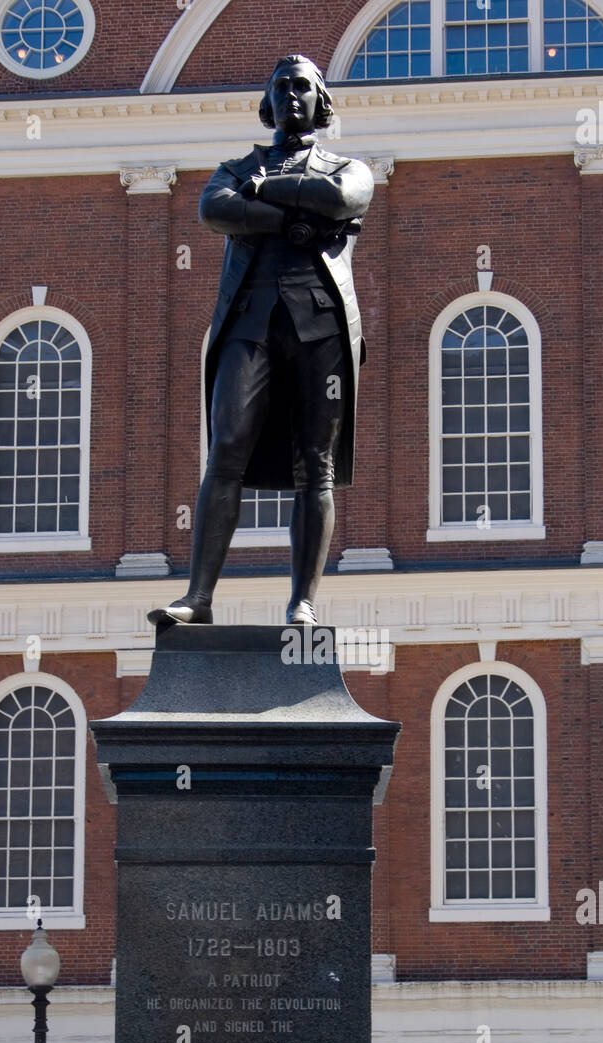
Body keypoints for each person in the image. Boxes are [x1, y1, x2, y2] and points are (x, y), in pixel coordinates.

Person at [149, 54, 374, 627]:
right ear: (268, 101)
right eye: (282, 87)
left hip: (320, 327)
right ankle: (198, 599)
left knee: (315, 465)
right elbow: (215, 208)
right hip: (249, 324)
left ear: (320, 101)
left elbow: (343, 200)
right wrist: (291, 222)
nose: (292, 96)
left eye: (304, 87)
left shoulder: (347, 166)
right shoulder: (232, 168)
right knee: (226, 447)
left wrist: (266, 191)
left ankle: (302, 602)